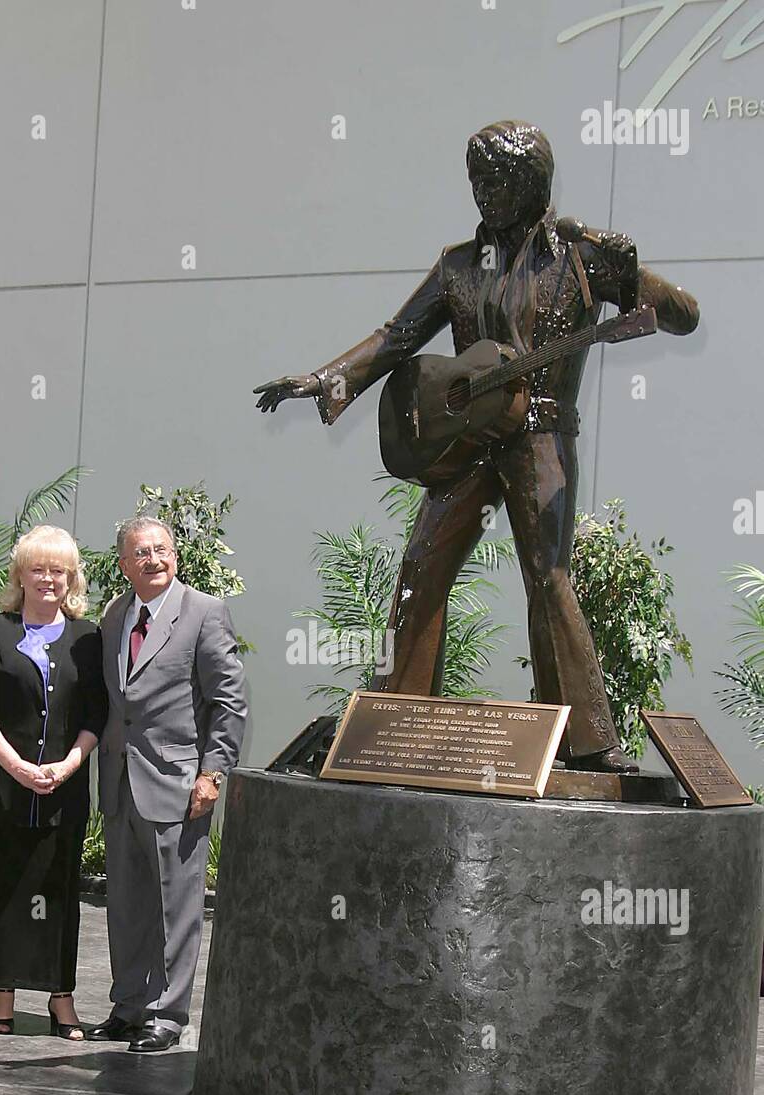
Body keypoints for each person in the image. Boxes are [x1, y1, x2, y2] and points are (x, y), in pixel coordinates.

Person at [254, 119, 700, 772]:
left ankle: (587, 741)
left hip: (538, 437)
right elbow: (398, 335)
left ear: (531, 185)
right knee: (419, 566)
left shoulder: (576, 256)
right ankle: (394, 724)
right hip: (468, 441)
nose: (484, 193)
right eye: (476, 181)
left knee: (547, 580)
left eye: (497, 181)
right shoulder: (456, 265)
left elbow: (683, 314)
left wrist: (633, 277)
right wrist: (326, 377)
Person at [89, 517, 247, 1055]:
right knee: (127, 904)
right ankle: (129, 1005)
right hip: (119, 783)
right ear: (124, 565)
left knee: (176, 908)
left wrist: (213, 772)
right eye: (141, 553)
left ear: (174, 556)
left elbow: (228, 701)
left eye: (161, 550)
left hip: (180, 784)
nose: (153, 560)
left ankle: (167, 1014)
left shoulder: (204, 613)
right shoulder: (113, 616)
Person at [0, 525, 108, 1038]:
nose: (47, 579)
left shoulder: (88, 638)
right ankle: (3, 993)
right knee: (7, 891)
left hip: (63, 793)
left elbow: (97, 711)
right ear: (20, 575)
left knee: (55, 894)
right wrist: (15, 765)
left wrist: (70, 765)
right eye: (37, 568)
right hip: (0, 792)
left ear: (71, 579)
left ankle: (62, 999)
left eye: (58, 570)